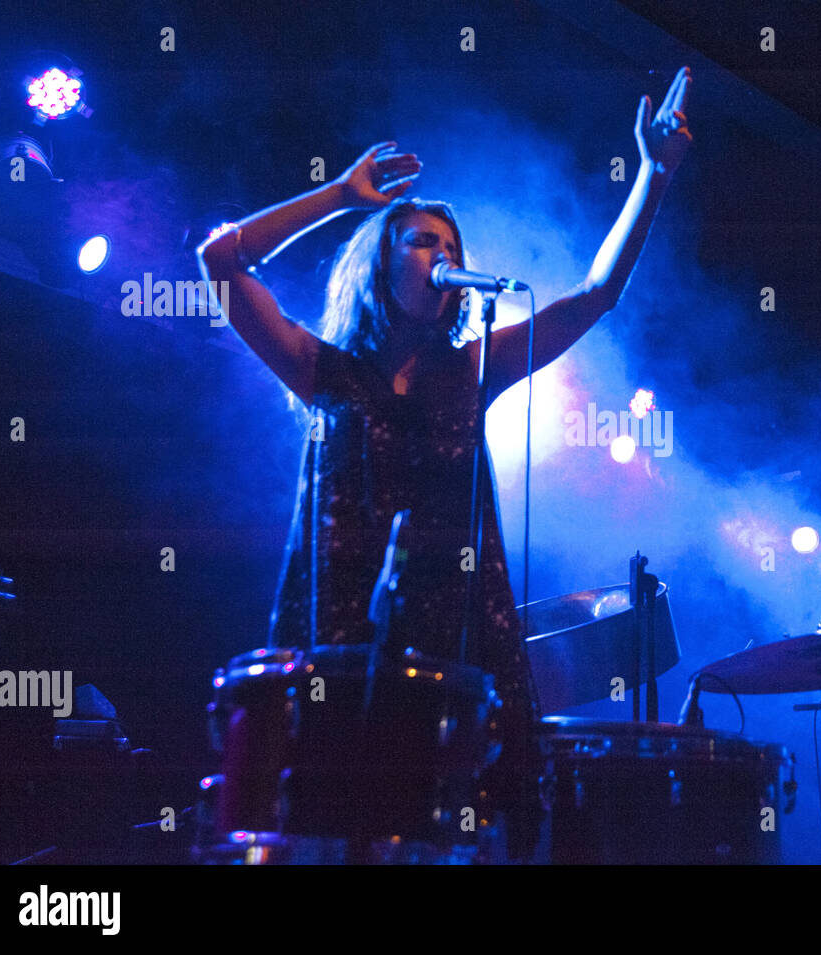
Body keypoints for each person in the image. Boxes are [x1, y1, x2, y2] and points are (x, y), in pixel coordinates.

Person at [197, 68, 692, 859]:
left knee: (454, 835)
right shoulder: (322, 370)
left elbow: (597, 293)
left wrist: (653, 173)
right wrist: (341, 196)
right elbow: (220, 259)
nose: (442, 253)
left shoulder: (469, 369)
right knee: (336, 827)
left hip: (458, 638)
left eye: (453, 245)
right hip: (343, 637)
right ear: (381, 261)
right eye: (423, 238)